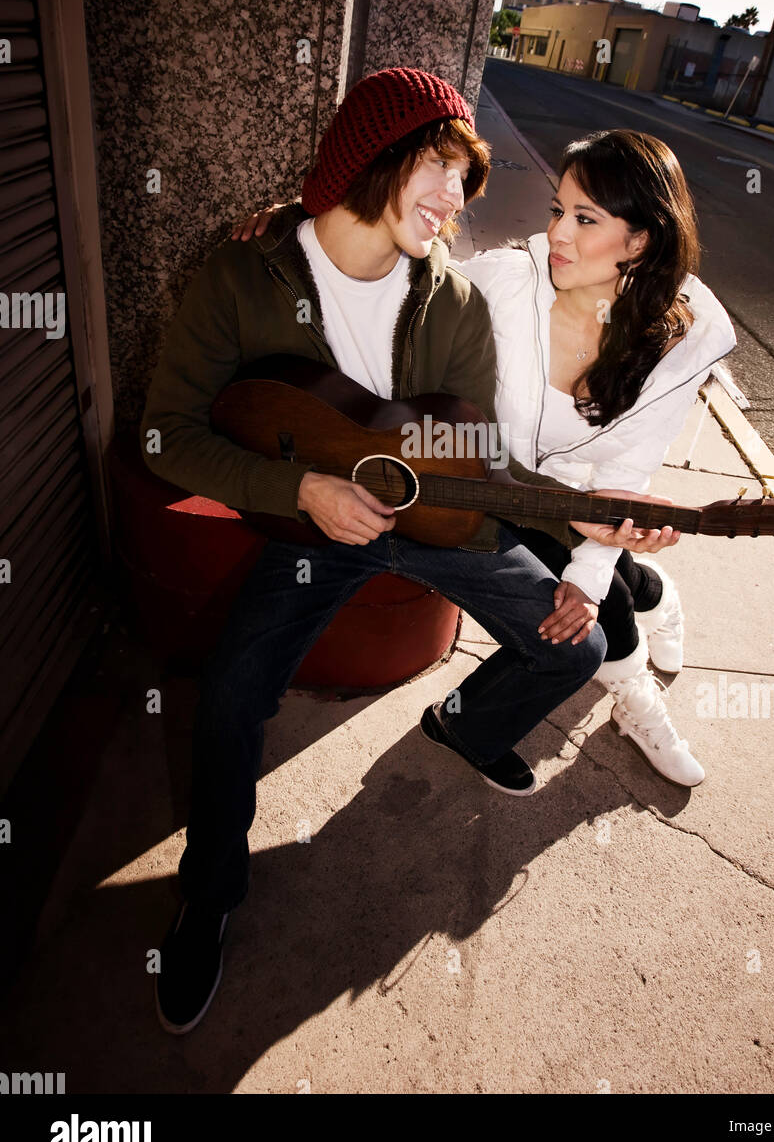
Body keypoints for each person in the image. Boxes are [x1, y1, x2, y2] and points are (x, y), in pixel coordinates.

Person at [141, 68, 654, 1036]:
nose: (456, 201)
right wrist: (298, 488)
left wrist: (575, 516)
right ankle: (207, 896)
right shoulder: (244, 277)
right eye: (437, 168)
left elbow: (475, 453)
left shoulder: (452, 299)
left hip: (434, 524)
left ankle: (462, 720)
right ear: (369, 158)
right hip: (309, 534)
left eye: (467, 180)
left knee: (575, 646)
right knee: (231, 698)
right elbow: (166, 434)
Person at [237, 128, 736, 790]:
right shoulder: (506, 282)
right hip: (475, 483)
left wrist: (587, 579)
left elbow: (627, 470)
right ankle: (645, 614)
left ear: (640, 240)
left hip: (554, 501)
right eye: (558, 210)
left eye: (585, 219)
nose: (557, 232)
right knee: (600, 596)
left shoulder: (679, 345)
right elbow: (391, 272)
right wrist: (303, 224)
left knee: (594, 594)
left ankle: (632, 670)